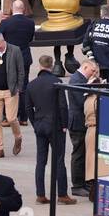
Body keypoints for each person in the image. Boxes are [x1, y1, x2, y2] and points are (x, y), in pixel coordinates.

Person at [23, 54, 72, 204]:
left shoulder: (31, 84)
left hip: (40, 125)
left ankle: (40, 194)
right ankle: (62, 194)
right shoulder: (56, 82)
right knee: (59, 160)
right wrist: (65, 125)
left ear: (40, 65)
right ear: (51, 66)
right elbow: (62, 106)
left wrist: (35, 123)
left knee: (41, 161)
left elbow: (28, 107)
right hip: (55, 125)